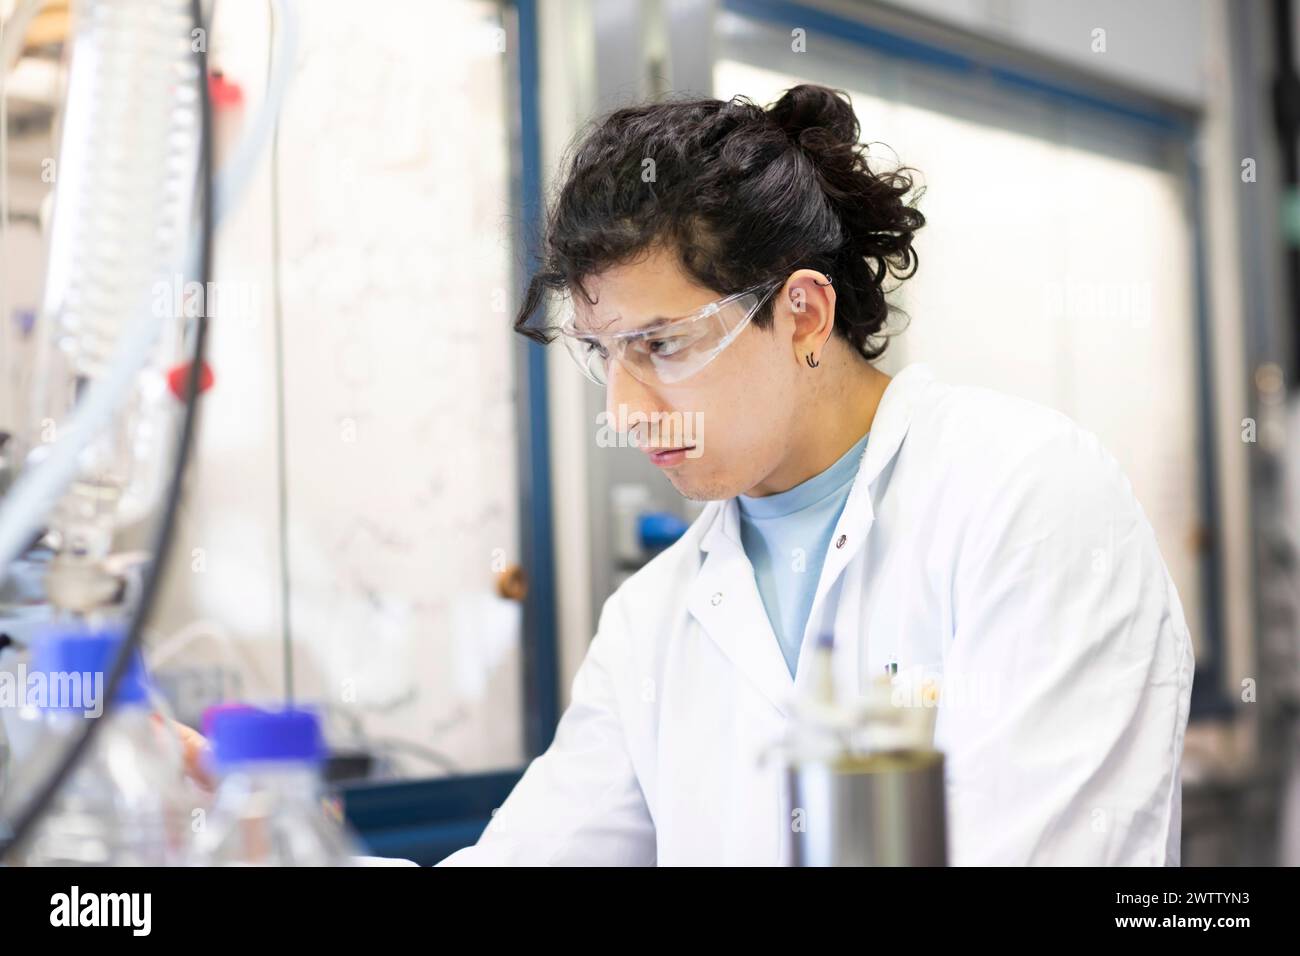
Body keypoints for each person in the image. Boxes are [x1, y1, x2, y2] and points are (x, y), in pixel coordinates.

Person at [436, 84, 1194, 866]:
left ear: (802, 313)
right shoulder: (651, 619)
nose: (625, 409)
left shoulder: (1025, 496)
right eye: (603, 353)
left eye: (660, 345)